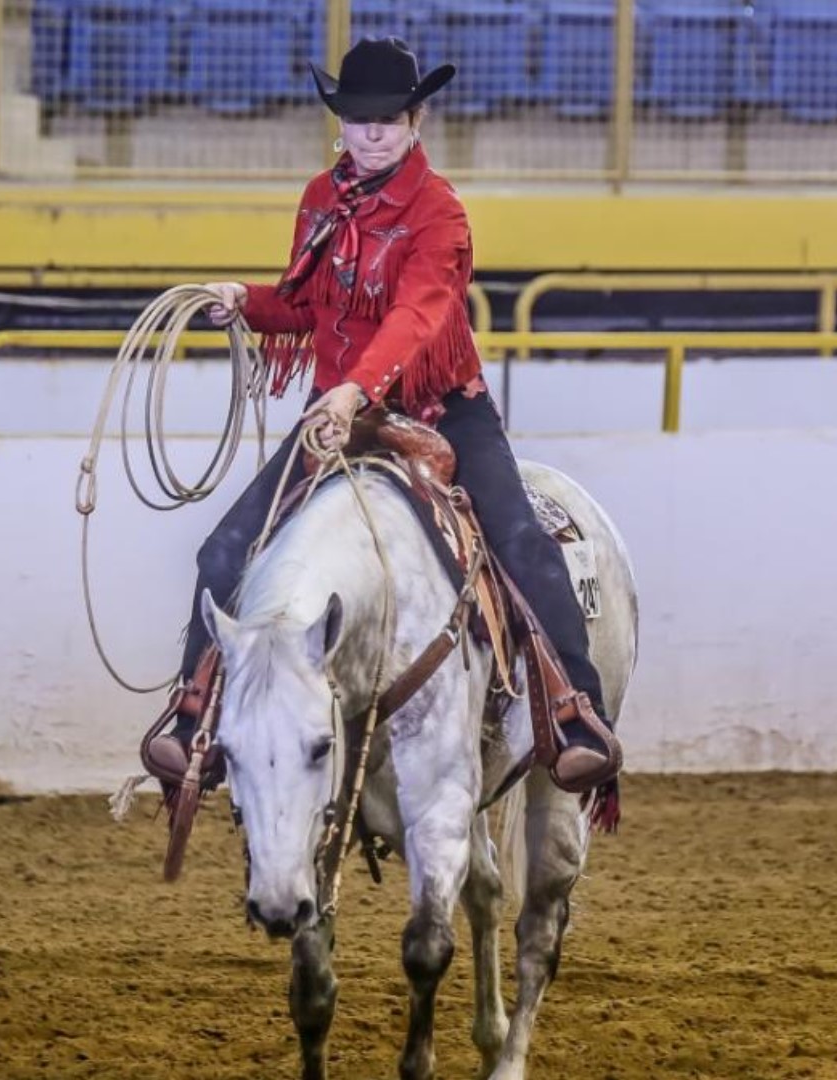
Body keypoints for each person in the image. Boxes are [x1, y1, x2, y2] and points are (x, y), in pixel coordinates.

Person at [143, 37, 618, 794]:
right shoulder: (320, 199)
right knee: (225, 551)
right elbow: (304, 304)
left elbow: (419, 315)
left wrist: (354, 388)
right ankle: (195, 714)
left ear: (415, 121)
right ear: (340, 122)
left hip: (440, 406)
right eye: (359, 119)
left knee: (521, 541)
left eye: (388, 120)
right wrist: (243, 299)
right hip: (339, 411)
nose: (371, 133)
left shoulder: (439, 212)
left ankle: (575, 713)